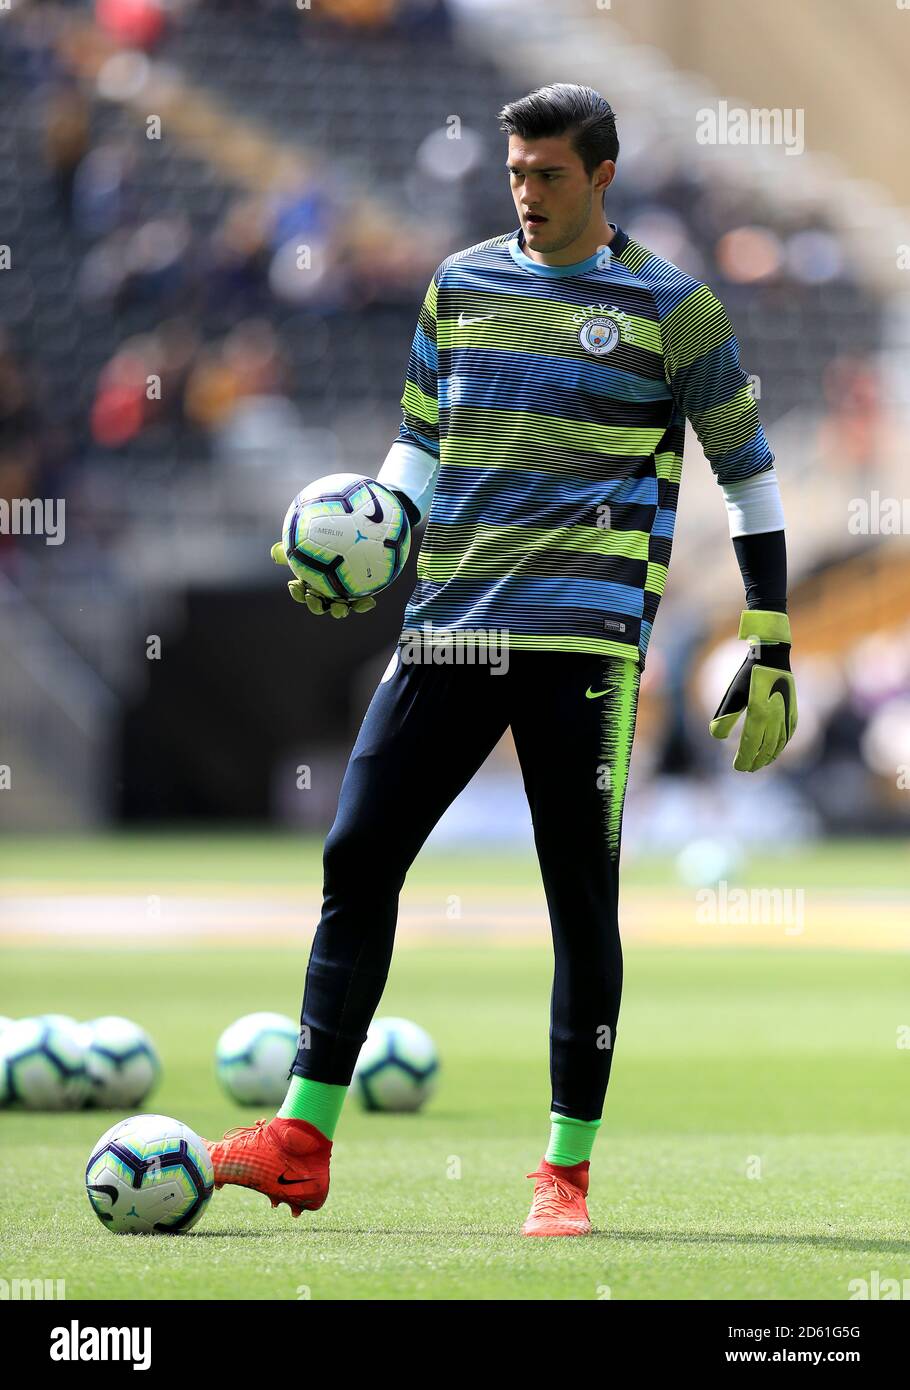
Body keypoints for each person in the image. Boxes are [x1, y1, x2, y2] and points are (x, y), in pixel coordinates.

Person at [206, 84, 797, 1236]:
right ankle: (301, 1137)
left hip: (585, 642)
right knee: (356, 851)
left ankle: (562, 1175)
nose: (527, 196)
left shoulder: (674, 310)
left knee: (579, 902)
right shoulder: (459, 284)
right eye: (515, 174)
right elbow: (423, 438)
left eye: (550, 176)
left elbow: (751, 475)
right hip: (448, 625)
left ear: (603, 176)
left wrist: (769, 636)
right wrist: (375, 528)